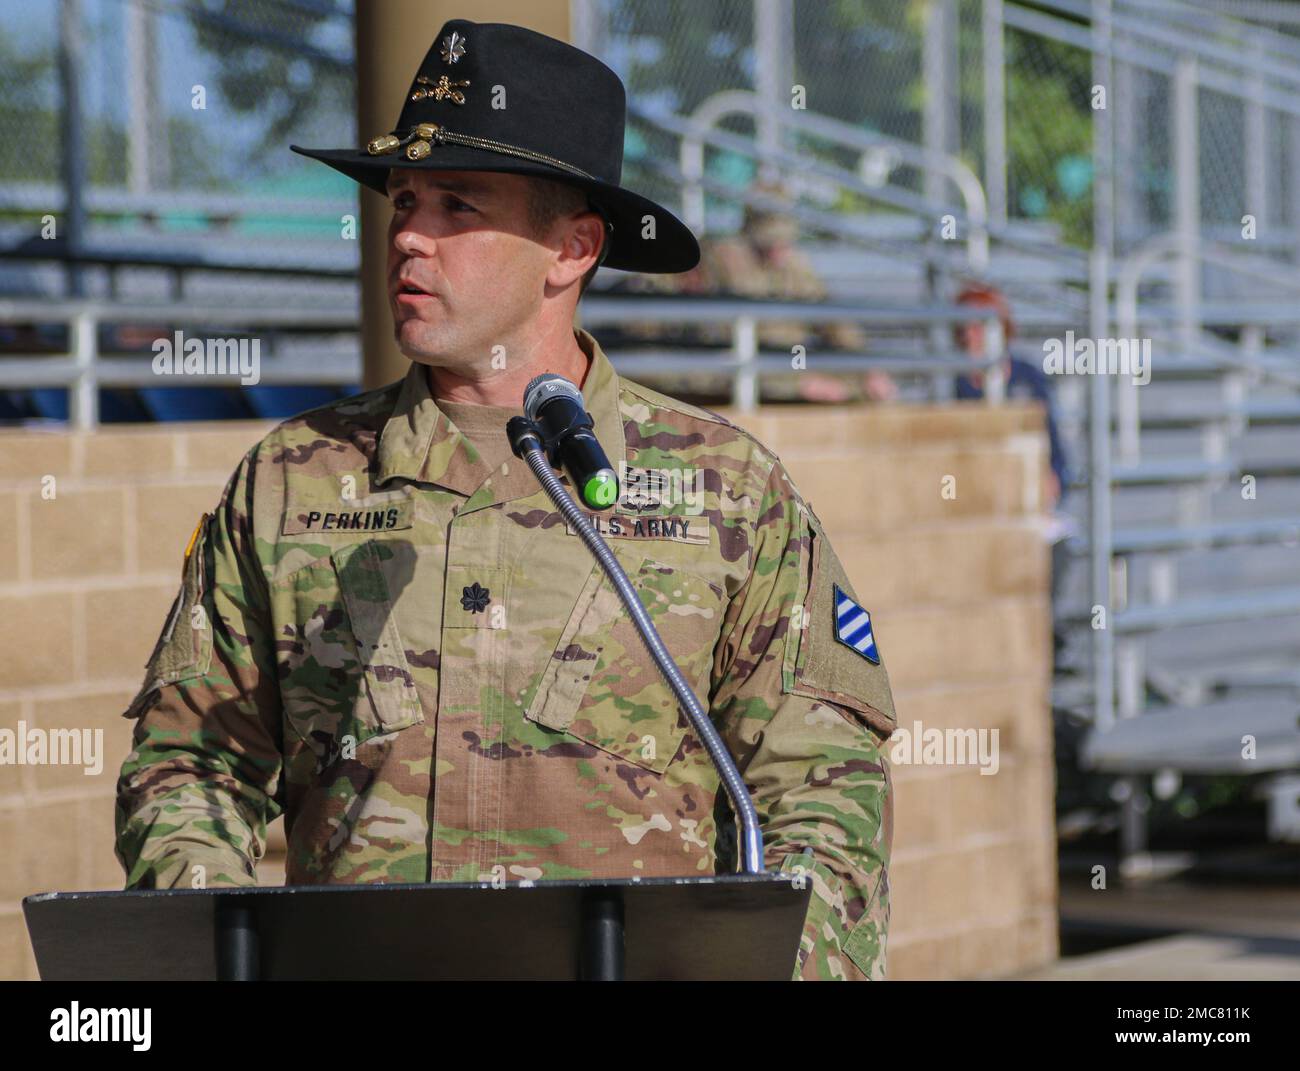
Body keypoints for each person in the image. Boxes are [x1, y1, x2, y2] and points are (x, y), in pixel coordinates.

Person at [114, 19, 896, 981]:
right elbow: (191, 762)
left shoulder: (725, 490)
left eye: (457, 204)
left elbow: (821, 791)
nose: (408, 233)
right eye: (403, 200)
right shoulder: (292, 481)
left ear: (570, 249)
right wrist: (213, 954)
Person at [619, 182, 897, 405]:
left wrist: (867, 369)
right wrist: (798, 384)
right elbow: (731, 345)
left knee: (866, 392)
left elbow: (831, 320)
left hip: (785, 370)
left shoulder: (793, 264)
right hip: (735, 374)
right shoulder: (727, 257)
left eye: (783, 237)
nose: (779, 246)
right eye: (771, 237)